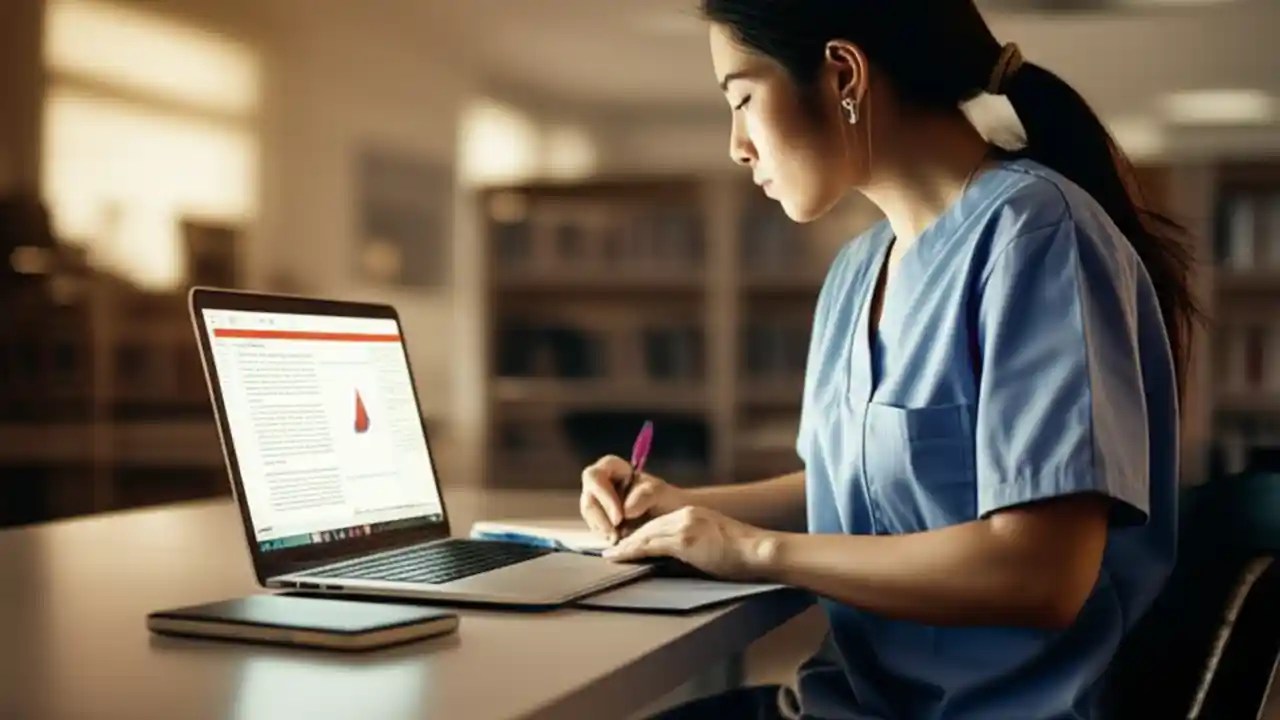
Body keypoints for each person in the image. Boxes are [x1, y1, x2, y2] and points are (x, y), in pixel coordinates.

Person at [578, 1, 1200, 718]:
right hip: (841, 702)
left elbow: (1041, 573)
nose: (737, 145)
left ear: (844, 73)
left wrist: (754, 551)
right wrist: (682, 506)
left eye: (742, 99)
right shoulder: (855, 271)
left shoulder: (1034, 235)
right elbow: (855, 492)